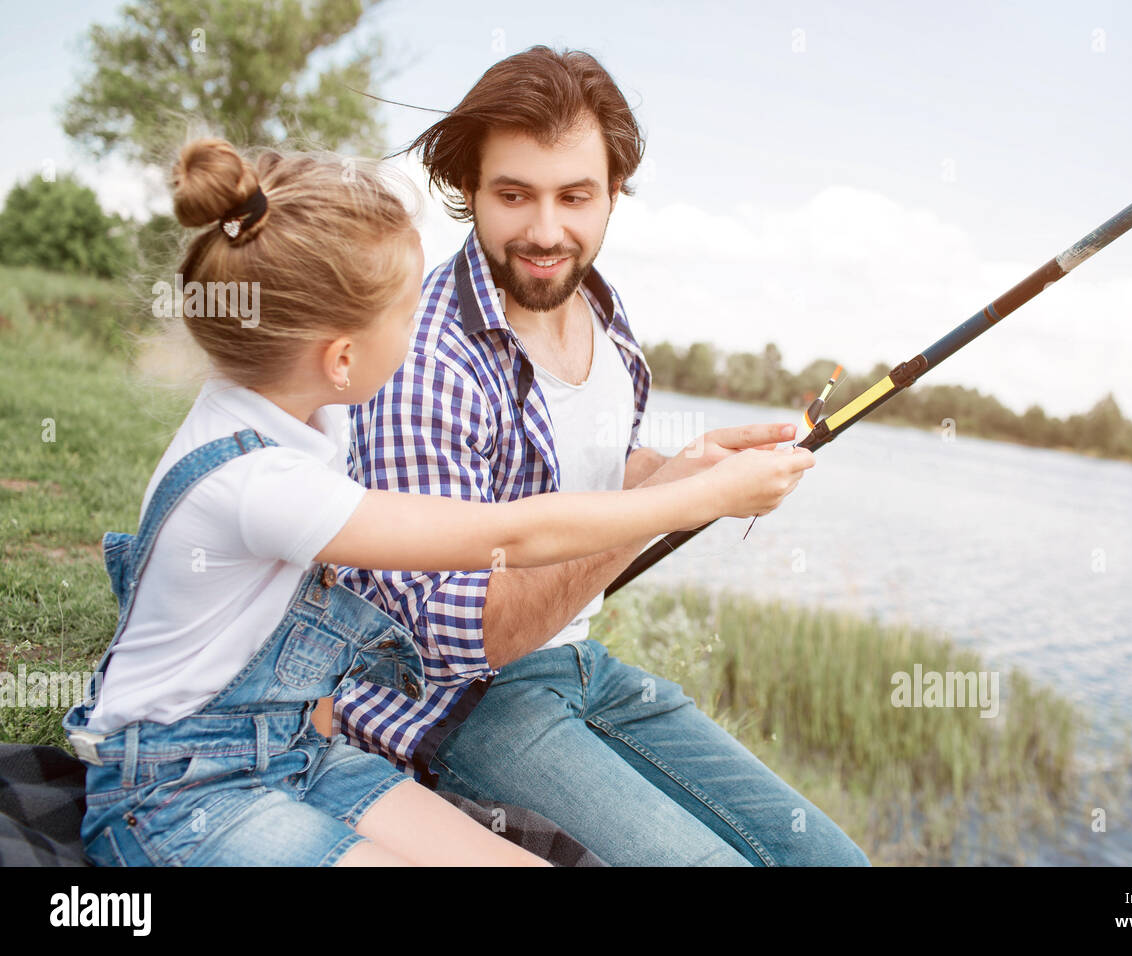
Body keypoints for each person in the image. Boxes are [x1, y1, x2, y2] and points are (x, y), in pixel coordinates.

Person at [60, 136, 815, 867]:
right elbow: (512, 537)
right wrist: (694, 499)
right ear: (343, 357)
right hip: (178, 789)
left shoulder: (301, 406)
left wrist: (681, 468)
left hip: (300, 752)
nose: (426, 323)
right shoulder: (259, 483)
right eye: (407, 310)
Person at [336, 46, 871, 866]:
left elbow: (589, 479)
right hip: (465, 703)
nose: (546, 231)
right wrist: (680, 503)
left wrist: (689, 468)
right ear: (469, 190)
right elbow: (456, 642)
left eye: (575, 196)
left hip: (584, 668)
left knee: (830, 860)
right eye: (513, 195)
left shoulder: (604, 315)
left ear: (613, 194)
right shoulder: (427, 359)